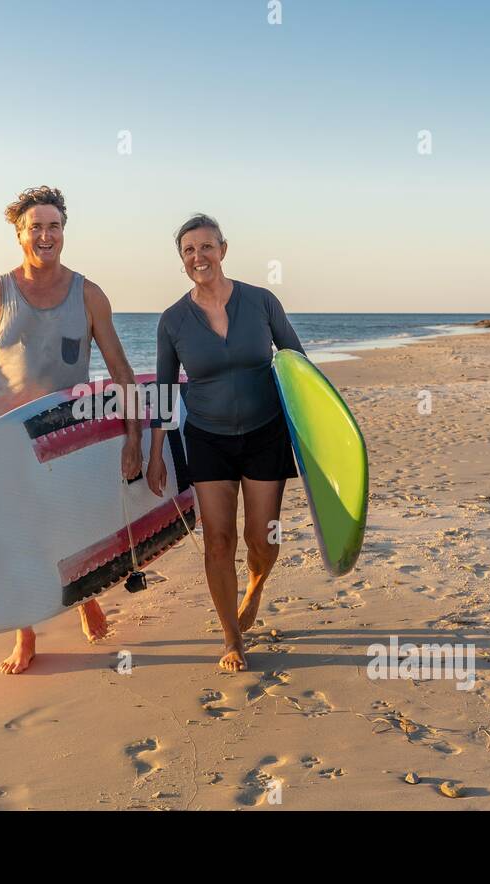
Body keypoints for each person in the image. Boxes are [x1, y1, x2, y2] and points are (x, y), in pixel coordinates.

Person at [0, 186, 143, 674]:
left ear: (63, 232)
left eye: (54, 226)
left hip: (68, 435)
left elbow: (121, 372)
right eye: (36, 227)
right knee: (11, 535)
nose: (45, 235)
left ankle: (83, 597)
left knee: (73, 527)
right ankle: (25, 632)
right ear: (20, 235)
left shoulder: (89, 295)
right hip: (5, 438)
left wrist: (133, 437)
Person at [146, 214, 303, 672]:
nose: (199, 257)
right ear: (182, 260)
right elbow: (163, 388)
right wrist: (156, 452)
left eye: (207, 247)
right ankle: (231, 637)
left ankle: (255, 586)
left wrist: (317, 436)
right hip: (208, 438)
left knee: (261, 538)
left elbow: (296, 362)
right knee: (217, 539)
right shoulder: (173, 320)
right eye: (190, 251)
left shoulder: (261, 302)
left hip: (265, 433)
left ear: (223, 249)